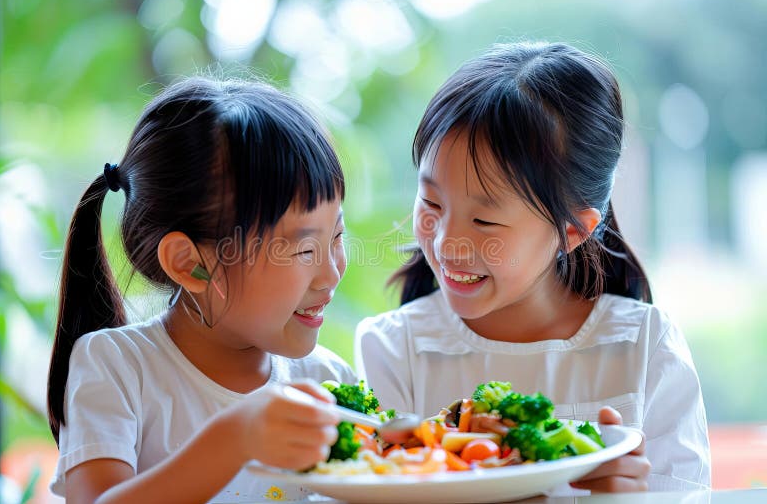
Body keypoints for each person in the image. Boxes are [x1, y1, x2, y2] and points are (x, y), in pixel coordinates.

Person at [355, 42, 710, 492]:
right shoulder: (393, 351)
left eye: (484, 220)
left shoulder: (645, 349)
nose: (446, 242)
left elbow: (687, 492)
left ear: (572, 230)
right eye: (431, 202)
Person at [46, 77, 357, 503]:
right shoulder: (117, 368)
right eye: (303, 250)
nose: (331, 273)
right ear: (191, 263)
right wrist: (235, 438)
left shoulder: (328, 381)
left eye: (336, 237)